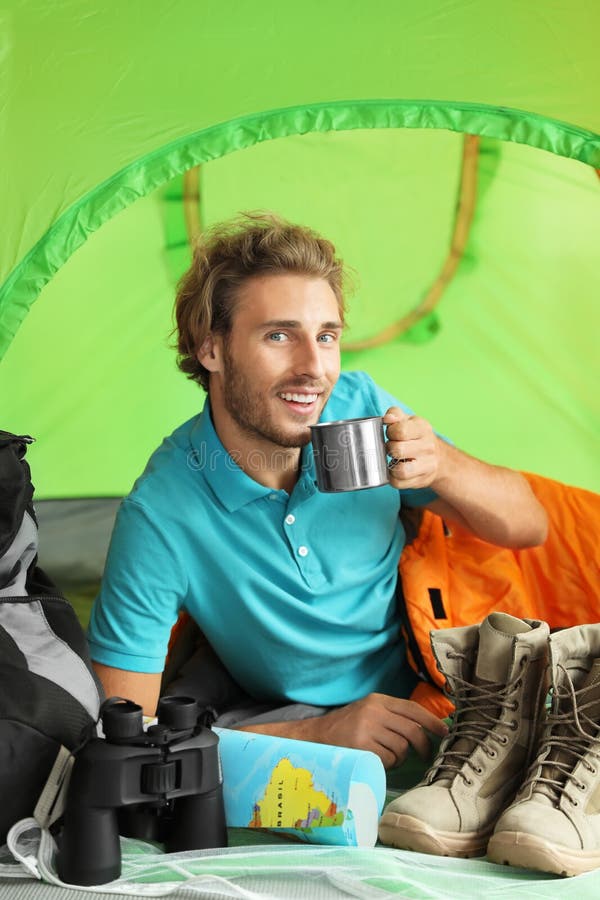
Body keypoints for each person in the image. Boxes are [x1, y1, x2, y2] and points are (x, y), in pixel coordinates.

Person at [88, 212, 548, 770]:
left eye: (326, 336)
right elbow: (123, 734)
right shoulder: (162, 513)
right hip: (298, 712)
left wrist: (441, 464)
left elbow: (531, 526)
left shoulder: (358, 411)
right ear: (211, 350)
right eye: (279, 335)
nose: (314, 369)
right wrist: (319, 733)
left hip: (437, 669)